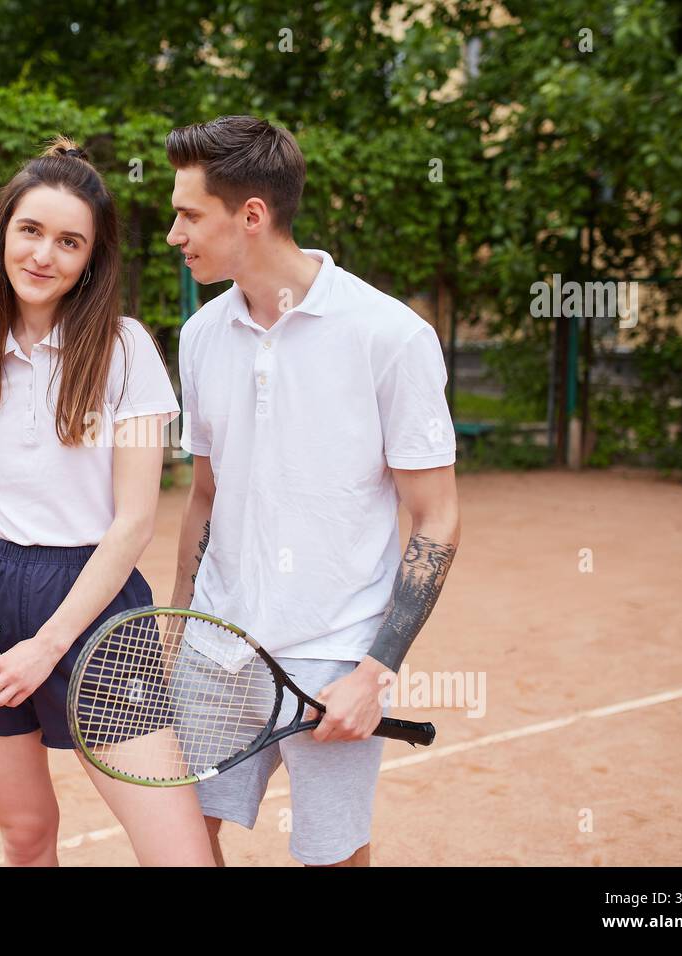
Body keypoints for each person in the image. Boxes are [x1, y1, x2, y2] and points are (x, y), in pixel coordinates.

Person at [165, 115, 461, 867]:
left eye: (190, 214)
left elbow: (436, 517)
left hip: (336, 657)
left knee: (333, 860)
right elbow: (205, 495)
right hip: (214, 649)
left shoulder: (390, 336)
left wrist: (372, 673)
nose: (175, 233)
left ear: (252, 217)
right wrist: (179, 635)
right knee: (178, 849)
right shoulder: (201, 335)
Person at [0, 136, 215, 867]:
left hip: (97, 607)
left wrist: (48, 645)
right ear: (4, 234)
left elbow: (135, 522)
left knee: (181, 856)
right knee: (26, 836)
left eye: (69, 241)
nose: (44, 255)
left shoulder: (127, 351)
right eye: (30, 231)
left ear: (92, 258)